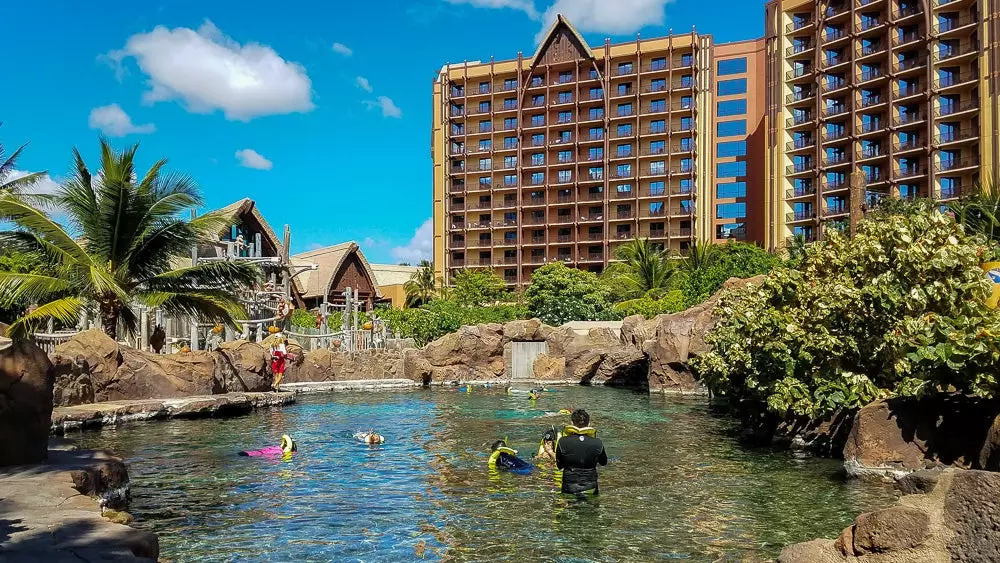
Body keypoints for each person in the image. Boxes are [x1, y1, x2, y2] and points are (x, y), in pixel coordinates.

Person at [556, 409, 608, 495]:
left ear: (572, 423)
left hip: (569, 487)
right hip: (591, 486)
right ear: (589, 424)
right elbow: (603, 462)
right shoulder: (598, 442)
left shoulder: (562, 441)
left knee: (570, 507)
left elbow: (559, 465)